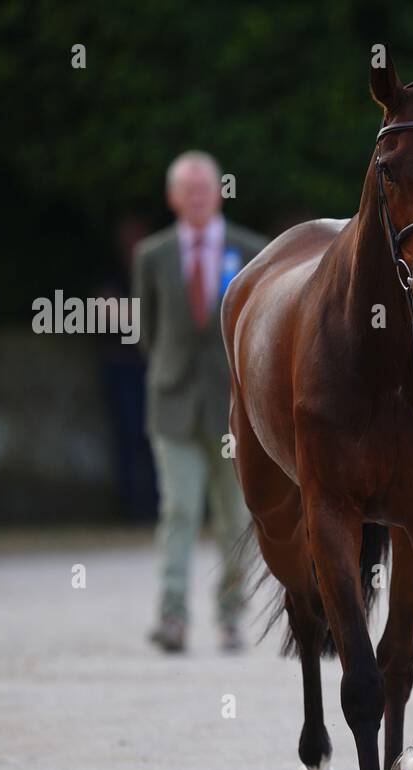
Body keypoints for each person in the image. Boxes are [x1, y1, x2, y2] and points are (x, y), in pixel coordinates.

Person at [133, 151, 268, 653]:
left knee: (235, 517)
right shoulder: (152, 255)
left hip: (234, 408)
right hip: (171, 404)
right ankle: (173, 618)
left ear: (218, 193)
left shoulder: (252, 250)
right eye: (187, 190)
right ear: (173, 198)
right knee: (179, 510)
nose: (197, 198)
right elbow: (148, 330)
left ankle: (231, 615)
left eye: (204, 189)